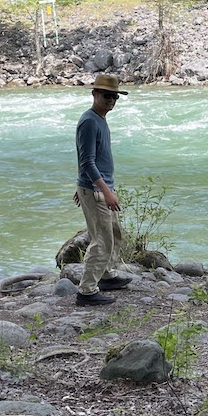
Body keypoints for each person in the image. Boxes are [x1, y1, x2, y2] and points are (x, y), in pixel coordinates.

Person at [73, 74, 133, 306]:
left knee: (114, 233)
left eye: (115, 96)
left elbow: (86, 159)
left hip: (96, 186)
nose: (111, 100)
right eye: (107, 95)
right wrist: (105, 191)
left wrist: (83, 184)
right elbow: (87, 161)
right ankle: (86, 291)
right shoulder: (89, 121)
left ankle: (106, 275)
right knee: (101, 239)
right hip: (98, 189)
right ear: (94, 94)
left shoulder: (99, 119)